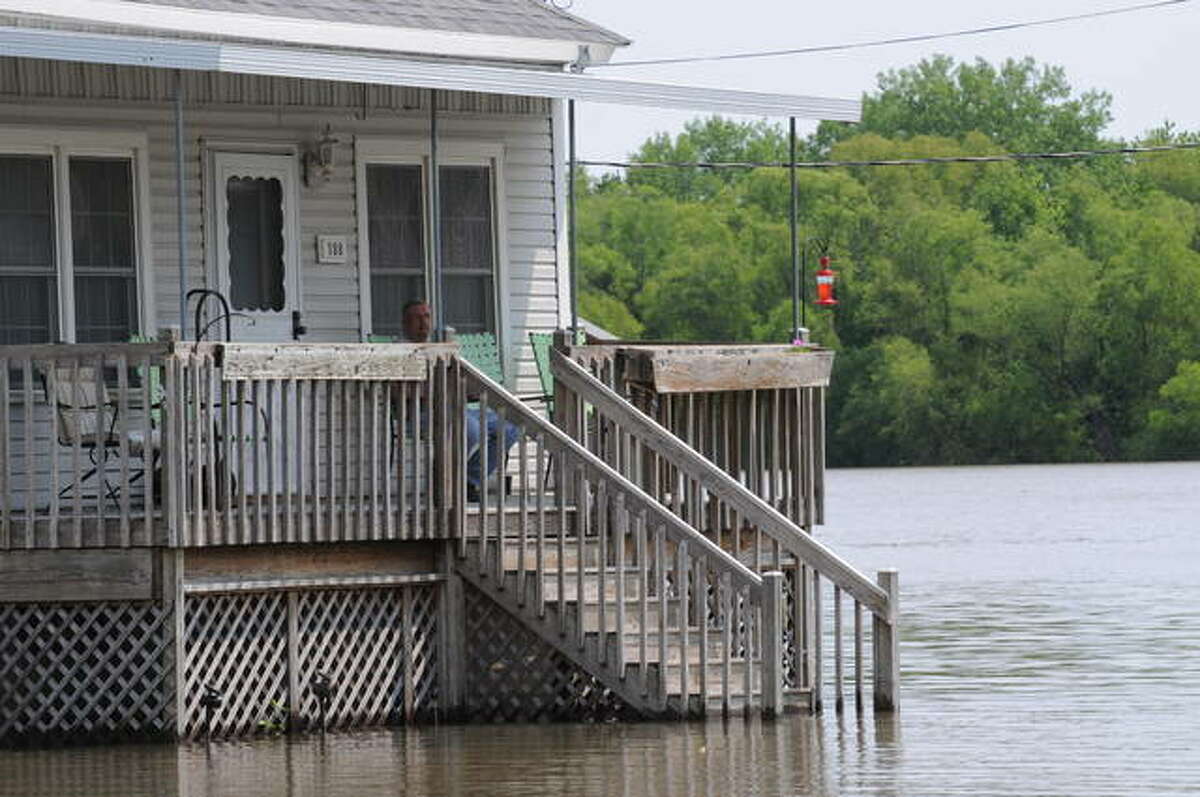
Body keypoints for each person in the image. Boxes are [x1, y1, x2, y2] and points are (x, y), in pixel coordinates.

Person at [400, 300, 519, 501]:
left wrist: (466, 390)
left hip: (454, 406)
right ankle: (444, 483)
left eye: (427, 317)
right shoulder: (399, 352)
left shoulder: (441, 350)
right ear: (405, 323)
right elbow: (398, 392)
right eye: (417, 318)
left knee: (509, 425)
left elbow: (457, 380)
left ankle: (469, 481)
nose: (423, 323)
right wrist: (436, 392)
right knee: (469, 428)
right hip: (420, 413)